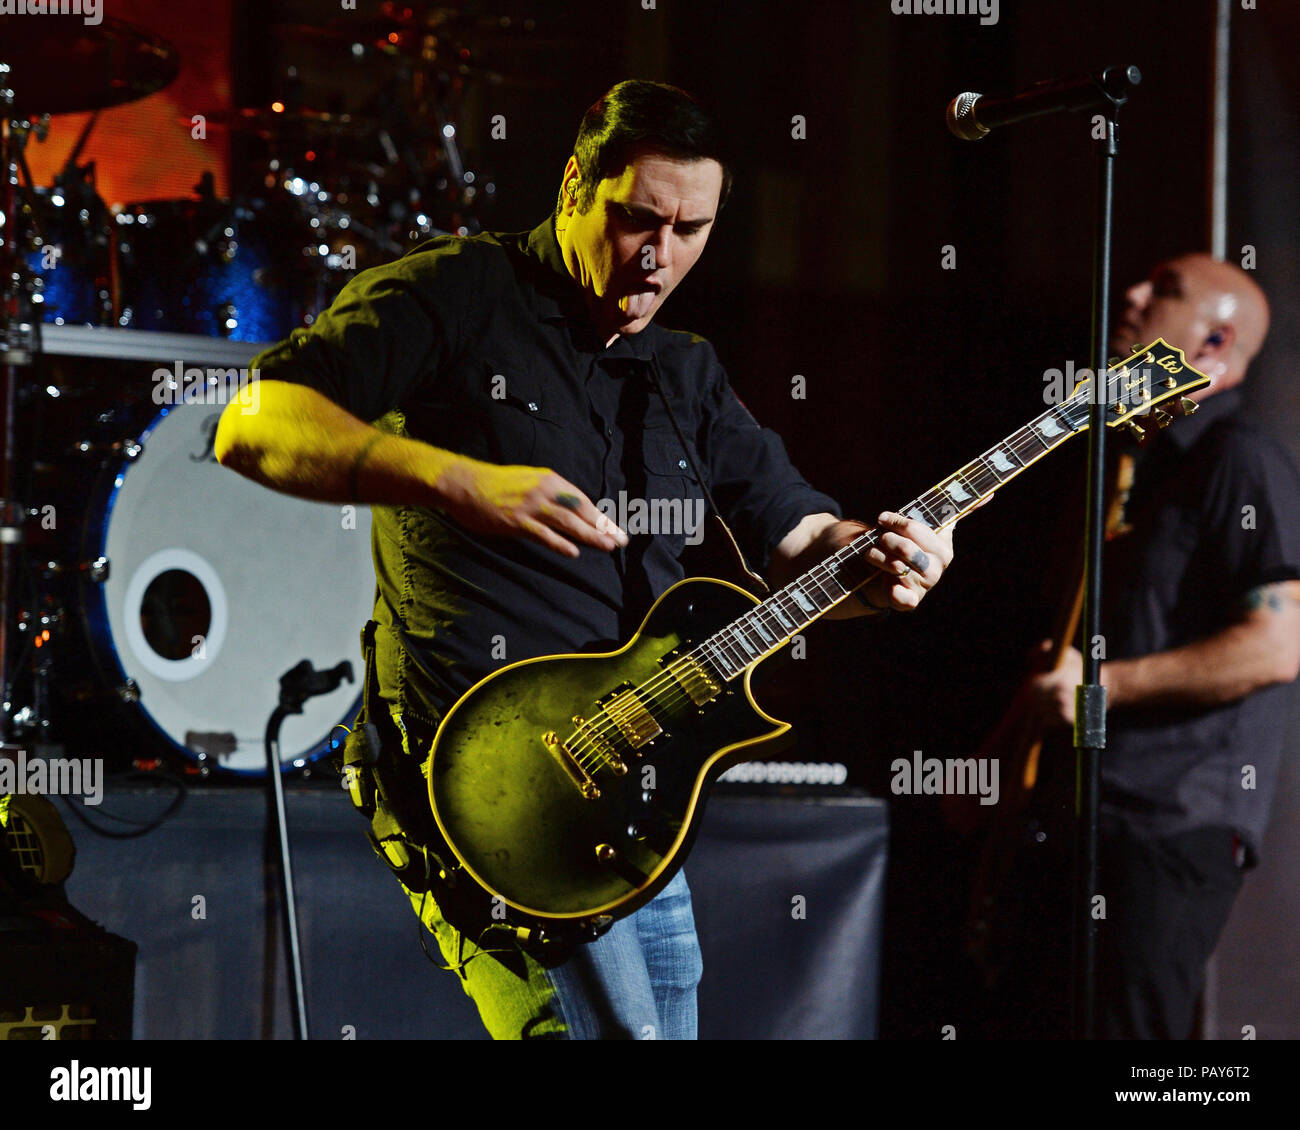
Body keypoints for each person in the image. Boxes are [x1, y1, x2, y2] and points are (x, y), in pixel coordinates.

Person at [214, 80, 957, 1040]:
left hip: (633, 795)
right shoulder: (456, 293)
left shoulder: (685, 371)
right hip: (487, 781)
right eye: (639, 220)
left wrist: (891, 567)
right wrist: (457, 481)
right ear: (574, 186)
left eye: (692, 229)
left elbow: (803, 541)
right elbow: (254, 423)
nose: (659, 257)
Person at [1028, 253, 1300, 1039]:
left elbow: (1275, 646)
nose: (1134, 293)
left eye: (1166, 289)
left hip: (1173, 820)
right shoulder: (1127, 461)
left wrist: (1100, 689)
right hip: (1087, 810)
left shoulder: (1240, 461)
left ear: (1215, 343)